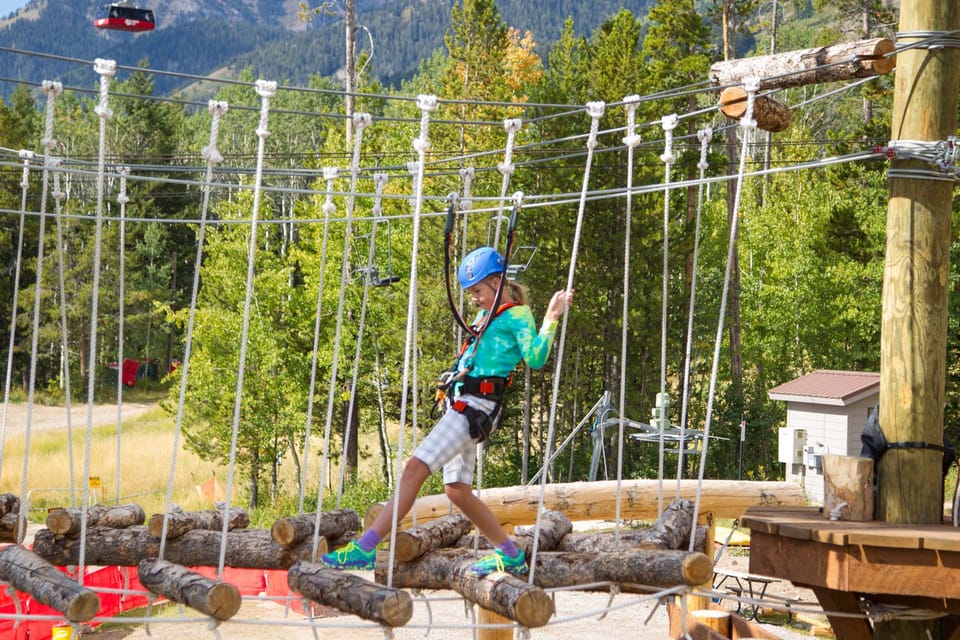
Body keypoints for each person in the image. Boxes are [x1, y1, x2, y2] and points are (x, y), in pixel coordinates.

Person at [320, 246, 574, 576]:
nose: (474, 299)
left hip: (477, 408)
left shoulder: (516, 315)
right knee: (456, 491)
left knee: (414, 469)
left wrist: (551, 318)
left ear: (496, 283)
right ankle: (509, 553)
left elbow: (536, 358)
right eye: (470, 294)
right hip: (462, 403)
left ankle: (364, 548)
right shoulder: (486, 316)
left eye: (478, 292)